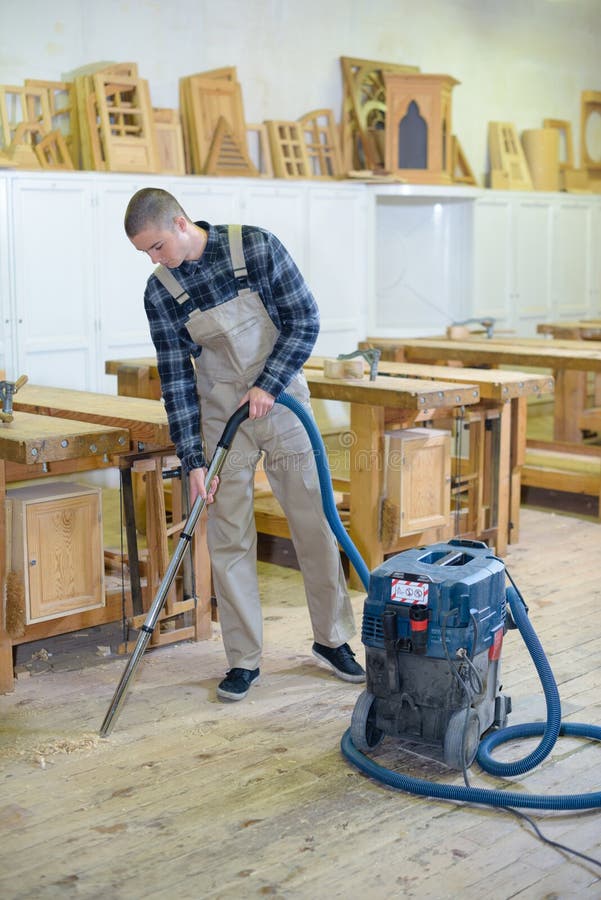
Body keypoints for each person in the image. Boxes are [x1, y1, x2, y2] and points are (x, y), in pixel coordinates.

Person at [124, 188, 365, 701]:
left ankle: (333, 639)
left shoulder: (254, 248)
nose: (154, 259)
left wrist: (269, 383)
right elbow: (176, 380)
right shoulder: (160, 290)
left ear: (182, 224)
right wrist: (193, 460)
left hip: (282, 403)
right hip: (219, 416)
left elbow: (305, 321)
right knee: (228, 536)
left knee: (314, 521)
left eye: (158, 246)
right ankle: (244, 660)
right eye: (145, 252)